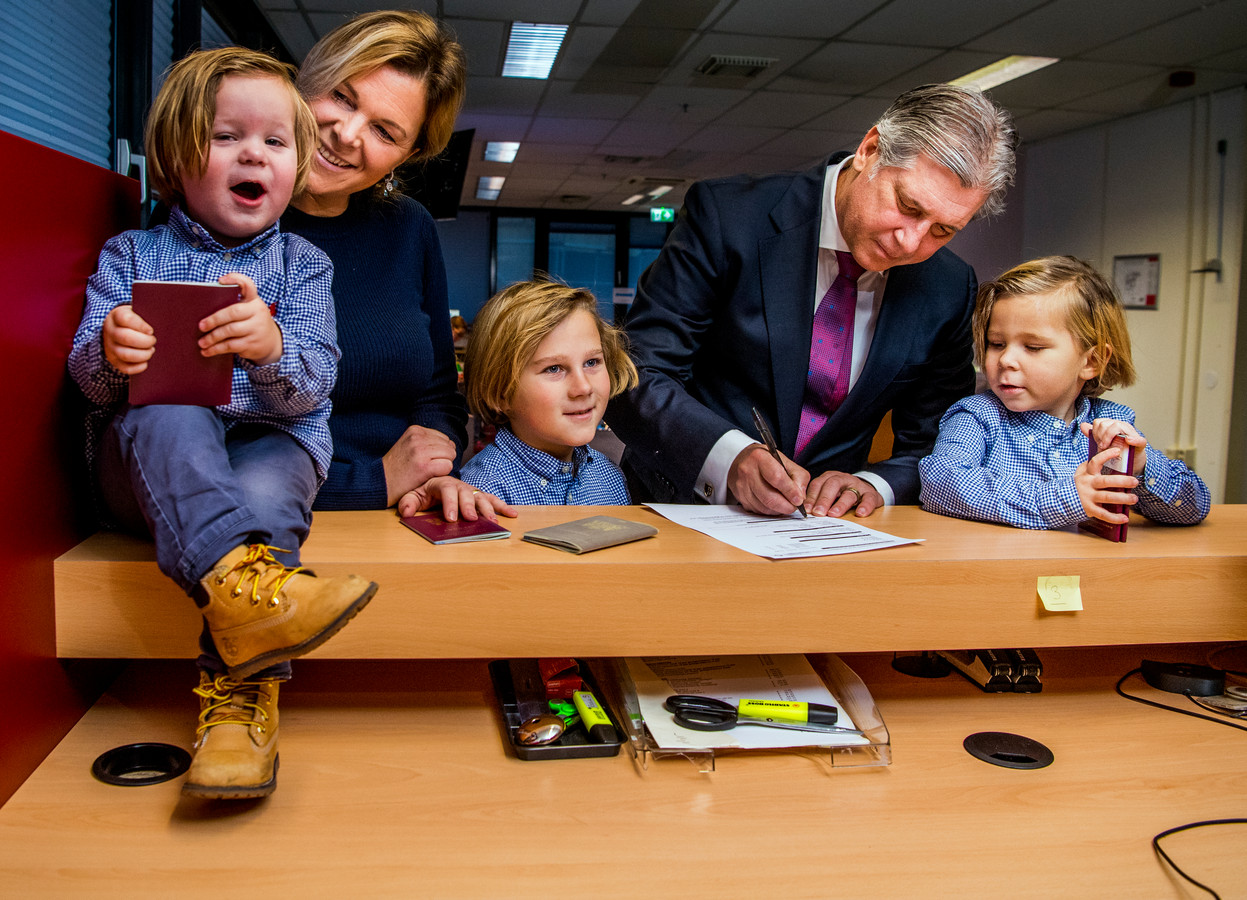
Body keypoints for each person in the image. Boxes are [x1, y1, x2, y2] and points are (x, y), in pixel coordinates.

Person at [67, 47, 378, 799]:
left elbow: (310, 394)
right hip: (153, 466)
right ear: (177, 156)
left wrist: (271, 350)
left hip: (270, 443)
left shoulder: (304, 266)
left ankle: (238, 710)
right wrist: (113, 351)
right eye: (226, 136)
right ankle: (249, 597)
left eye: (275, 143)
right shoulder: (131, 252)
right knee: (168, 405)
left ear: (296, 167)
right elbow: (86, 380)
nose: (254, 154)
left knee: (268, 499)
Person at [608, 83, 1018, 520]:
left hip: (829, 531)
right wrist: (731, 458)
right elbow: (637, 373)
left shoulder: (949, 285)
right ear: (870, 150)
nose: (910, 242)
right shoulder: (727, 217)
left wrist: (875, 483)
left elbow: (940, 438)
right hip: (682, 509)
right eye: (908, 206)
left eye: (943, 230)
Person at [280, 9, 512, 524]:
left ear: (407, 155)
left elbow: (436, 394)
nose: (347, 133)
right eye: (341, 96)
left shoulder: (410, 228)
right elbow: (191, 429)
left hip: (402, 514)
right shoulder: (219, 215)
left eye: (385, 131)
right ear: (307, 80)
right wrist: (371, 482)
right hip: (257, 527)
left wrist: (433, 467)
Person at [918, 256, 1209, 529]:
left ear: (1091, 361)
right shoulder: (976, 415)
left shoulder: (1111, 422)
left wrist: (1141, 465)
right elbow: (942, 483)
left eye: (1033, 347)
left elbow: (1194, 508)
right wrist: (1065, 499)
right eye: (997, 343)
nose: (1006, 360)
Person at [400, 280, 637, 508]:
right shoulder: (480, 494)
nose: (584, 387)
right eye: (553, 368)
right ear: (500, 393)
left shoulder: (611, 478)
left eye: (592, 362)